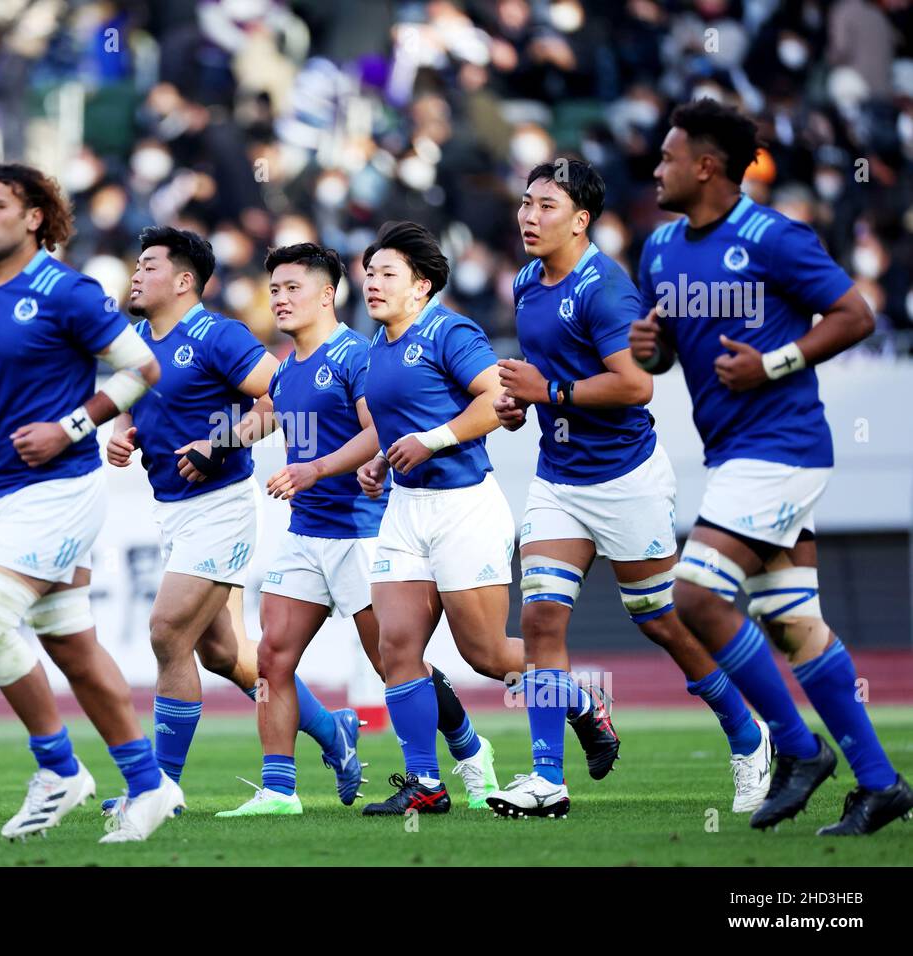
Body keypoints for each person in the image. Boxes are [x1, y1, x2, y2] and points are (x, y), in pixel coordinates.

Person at [629, 99, 912, 835]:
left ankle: (795, 747)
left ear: (707, 166)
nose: (655, 170)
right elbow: (660, 352)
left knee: (693, 598)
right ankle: (880, 785)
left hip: (782, 447)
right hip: (734, 453)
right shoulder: (658, 249)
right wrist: (650, 346)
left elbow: (855, 314)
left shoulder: (773, 237)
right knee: (793, 625)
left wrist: (775, 363)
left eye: (666, 157)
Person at [487, 159, 771, 820]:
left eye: (547, 206)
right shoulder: (529, 280)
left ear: (582, 220)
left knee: (663, 622)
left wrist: (550, 391)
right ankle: (545, 778)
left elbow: (637, 386)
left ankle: (748, 735)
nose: (530, 216)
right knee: (540, 620)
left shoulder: (605, 288)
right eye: (526, 203)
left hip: (624, 480)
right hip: (557, 479)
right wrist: (520, 402)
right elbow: (543, 369)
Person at [0, 163, 179, 844]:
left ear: (34, 216)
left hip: (64, 487)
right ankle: (149, 786)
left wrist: (71, 426)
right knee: (73, 647)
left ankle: (59, 769)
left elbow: (141, 370)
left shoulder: (67, 292)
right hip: (7, 491)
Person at [215, 242, 496, 817]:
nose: (281, 299)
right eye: (274, 291)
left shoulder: (355, 356)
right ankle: (278, 790)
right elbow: (268, 413)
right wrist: (211, 442)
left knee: (396, 664)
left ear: (327, 294)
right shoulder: (290, 365)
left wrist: (322, 467)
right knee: (273, 658)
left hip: (363, 532)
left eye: (293, 288)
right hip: (304, 533)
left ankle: (470, 750)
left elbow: (378, 428)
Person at [354, 221, 616, 816]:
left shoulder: (449, 329)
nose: (372, 283)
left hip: (464, 507)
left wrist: (432, 440)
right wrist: (377, 460)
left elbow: (495, 402)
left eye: (386, 273)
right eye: (369, 273)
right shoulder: (378, 346)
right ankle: (425, 783)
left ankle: (580, 702)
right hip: (405, 509)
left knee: (488, 656)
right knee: (396, 646)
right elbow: (400, 426)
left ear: (421, 286)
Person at [105, 226, 359, 810]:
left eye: (148, 265)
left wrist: (217, 442)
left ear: (184, 280)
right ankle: (333, 730)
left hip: (221, 507)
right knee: (223, 654)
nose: (137, 275)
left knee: (167, 633)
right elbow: (130, 399)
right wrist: (122, 435)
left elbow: (284, 397)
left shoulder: (218, 336)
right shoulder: (135, 339)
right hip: (171, 509)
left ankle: (159, 788)